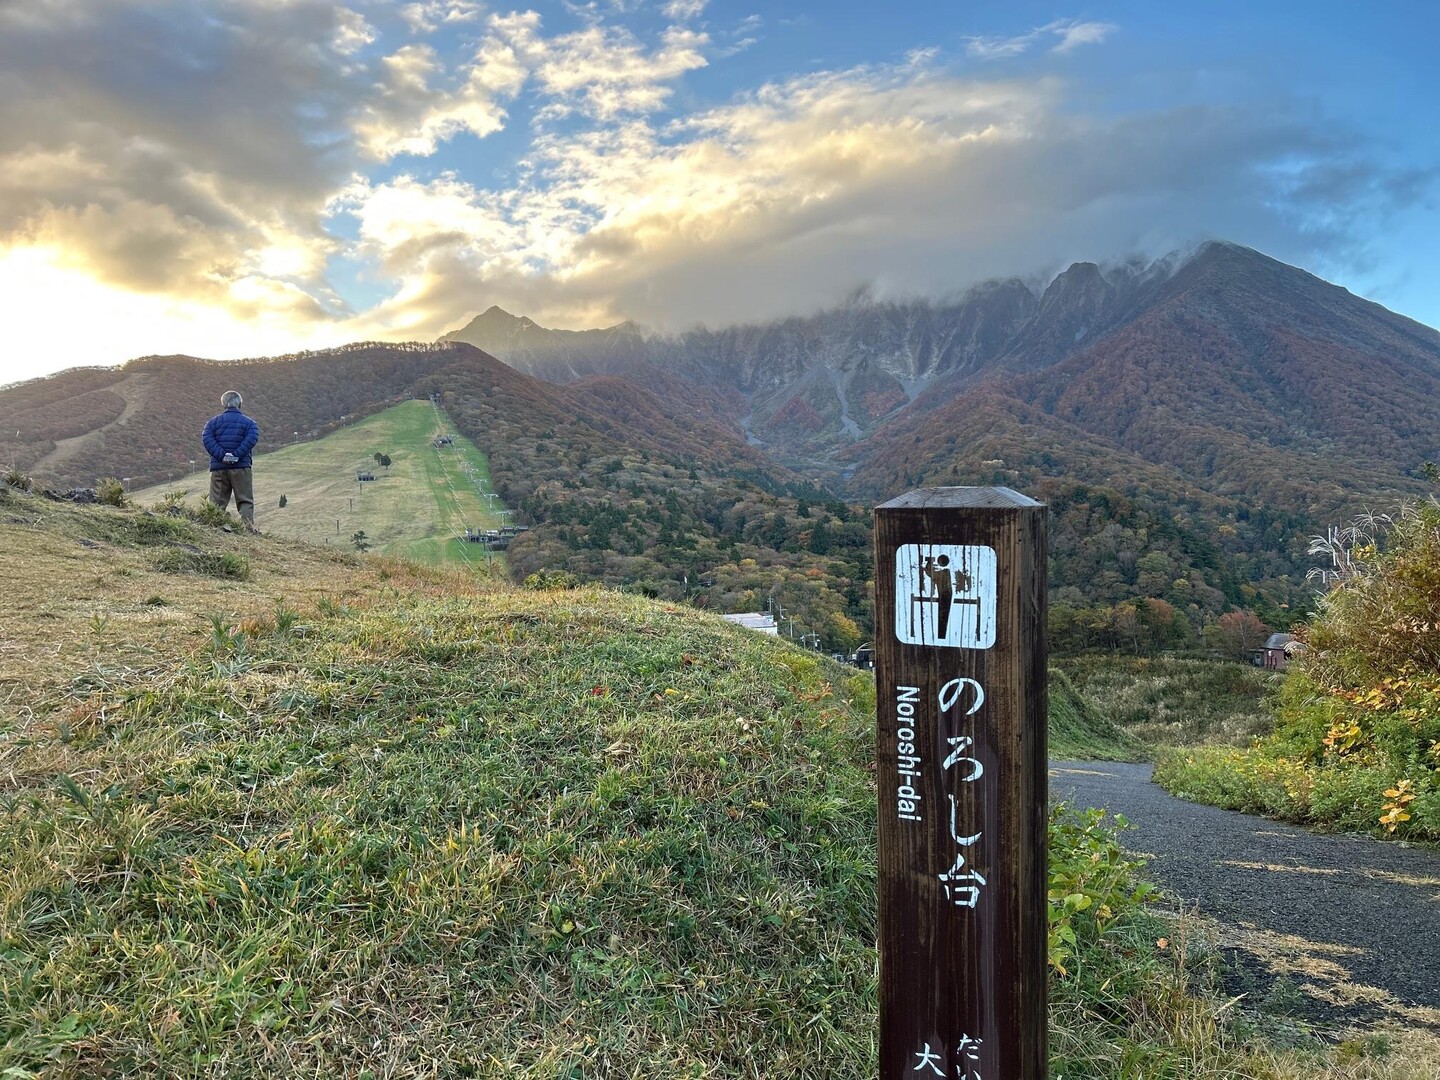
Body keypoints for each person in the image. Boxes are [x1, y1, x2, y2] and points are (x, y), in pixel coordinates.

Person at [202, 390, 260, 529]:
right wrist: (236, 455)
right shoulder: (250, 423)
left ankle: (214, 529)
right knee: (245, 500)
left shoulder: (212, 423)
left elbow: (207, 440)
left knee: (216, 502)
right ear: (240, 404)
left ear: (223, 404)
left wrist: (223, 456)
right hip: (241, 467)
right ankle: (248, 529)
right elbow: (252, 439)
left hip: (219, 468)